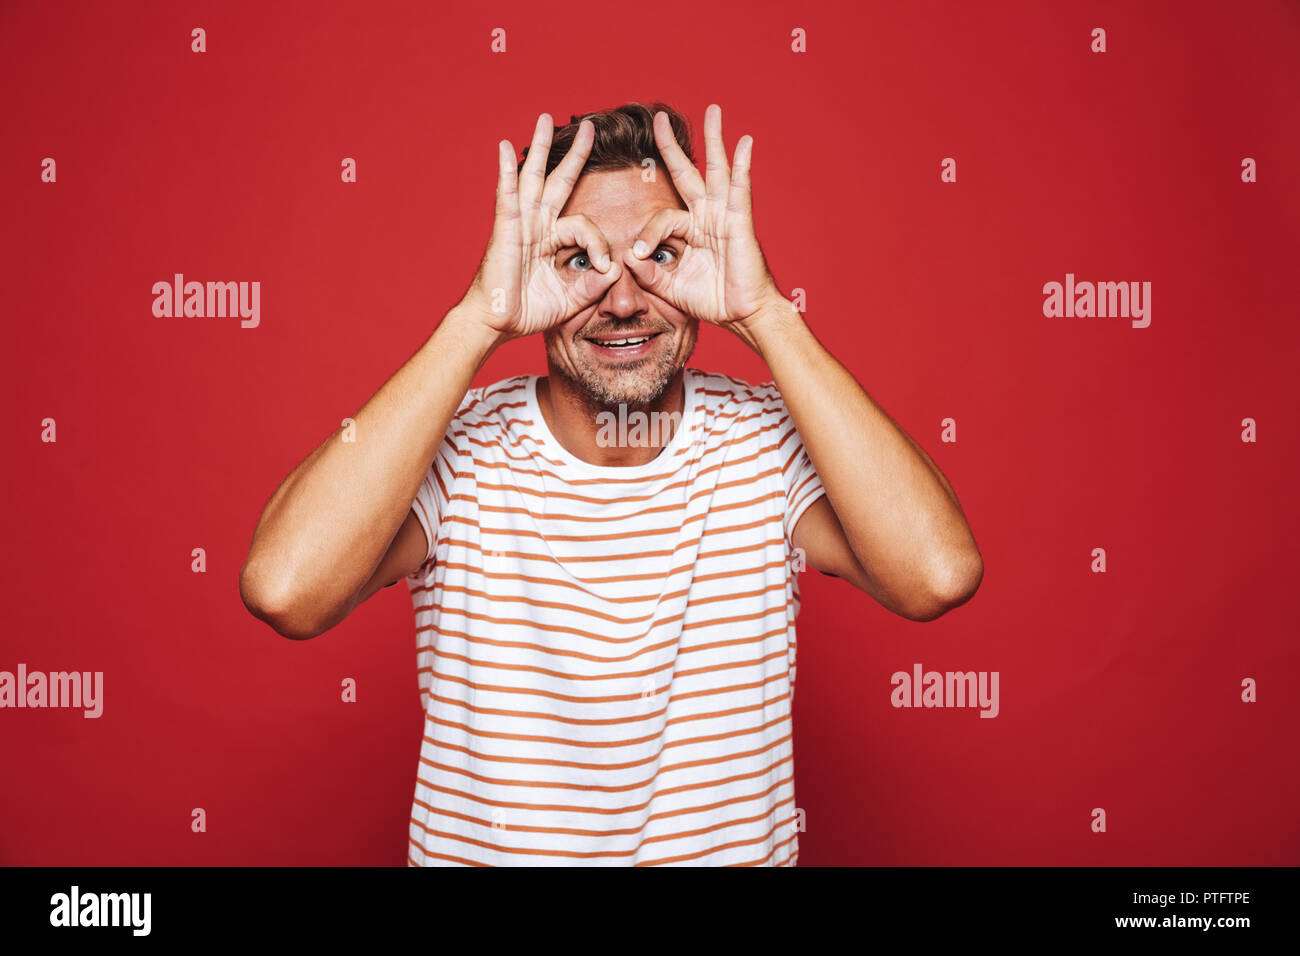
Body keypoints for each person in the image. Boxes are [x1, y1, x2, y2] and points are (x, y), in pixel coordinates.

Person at [239, 101, 984, 866]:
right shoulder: (459, 449)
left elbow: (937, 574)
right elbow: (286, 590)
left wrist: (766, 314)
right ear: (531, 264)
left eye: (658, 255)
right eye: (580, 260)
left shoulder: (763, 441)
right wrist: (477, 321)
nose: (623, 300)